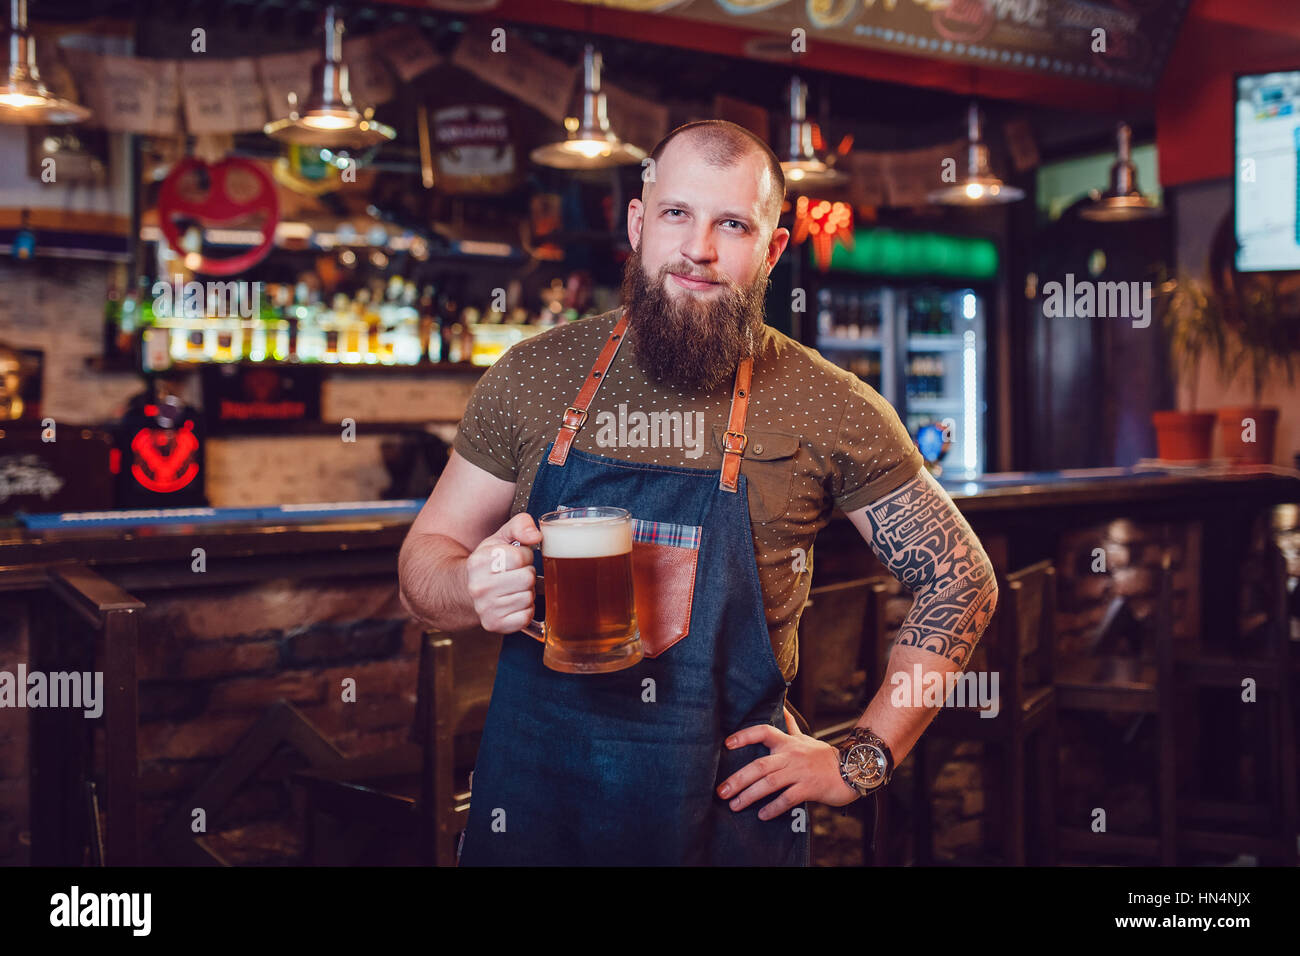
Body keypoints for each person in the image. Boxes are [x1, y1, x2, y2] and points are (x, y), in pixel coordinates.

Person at [398, 119, 999, 866]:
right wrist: (469, 585)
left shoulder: (830, 405)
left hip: (724, 819)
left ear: (773, 249)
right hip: (536, 809)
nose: (699, 249)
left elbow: (960, 580)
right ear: (638, 223)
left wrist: (860, 759)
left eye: (733, 225)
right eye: (677, 214)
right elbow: (423, 568)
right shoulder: (534, 375)